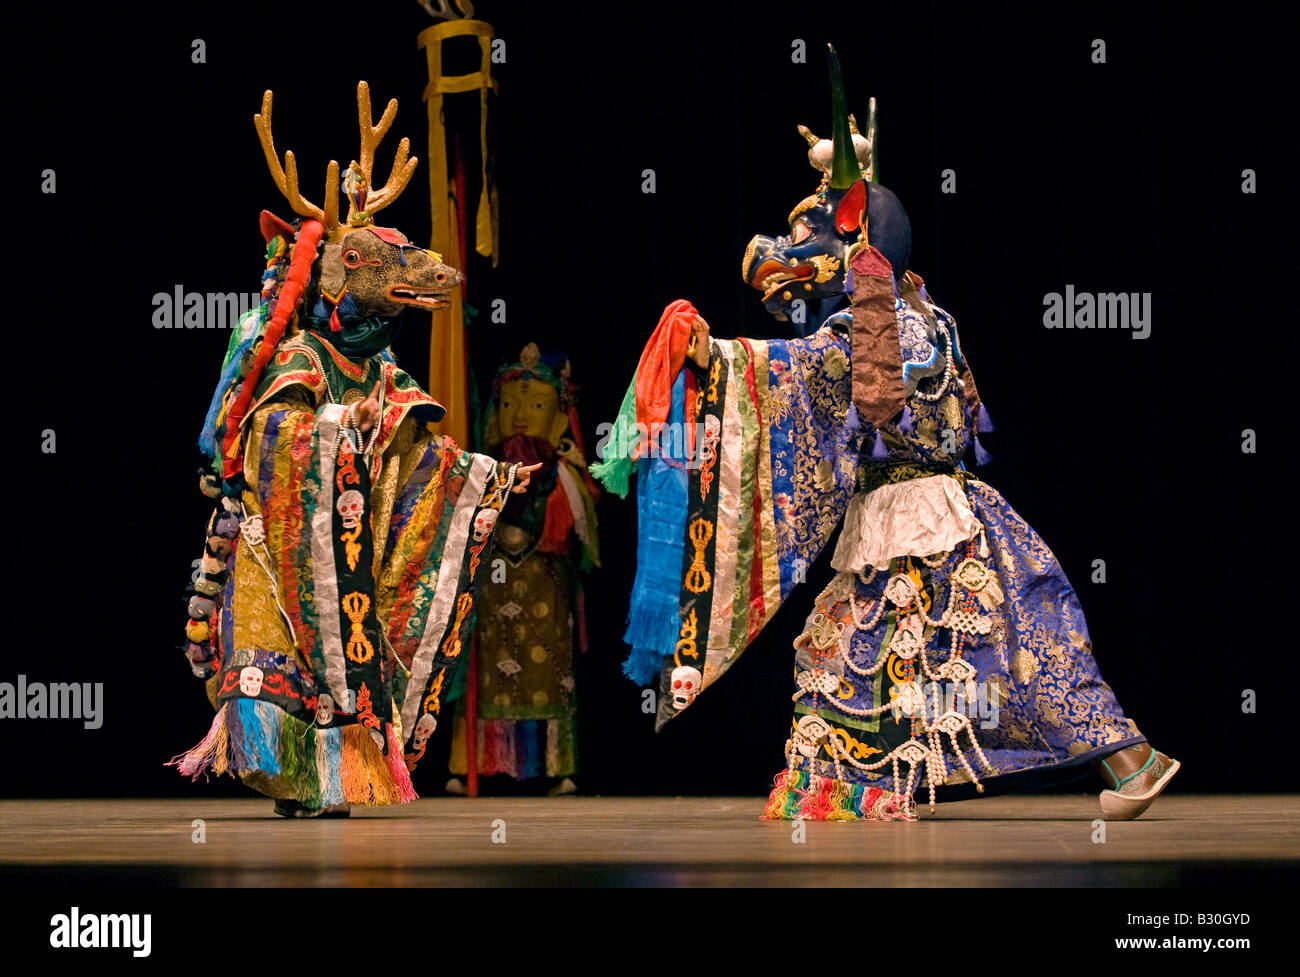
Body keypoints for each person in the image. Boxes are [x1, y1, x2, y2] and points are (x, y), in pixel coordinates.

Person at [593, 49, 1178, 822]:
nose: (793, 254)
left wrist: (715, 357)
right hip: (962, 511)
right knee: (1020, 650)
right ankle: (1129, 756)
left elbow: (801, 372)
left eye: (812, 239)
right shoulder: (932, 314)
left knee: (864, 652)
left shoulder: (865, 324)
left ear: (859, 243)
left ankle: (858, 783)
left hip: (911, 518)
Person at [172, 82, 538, 817]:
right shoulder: (303, 354)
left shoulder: (384, 370)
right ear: (345, 277)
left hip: (352, 556)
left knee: (348, 660)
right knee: (284, 672)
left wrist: (483, 477)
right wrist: (343, 427)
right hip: (281, 552)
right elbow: (275, 440)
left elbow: (421, 454)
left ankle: (332, 776)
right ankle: (298, 777)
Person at [445, 344, 600, 796]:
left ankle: (556, 766)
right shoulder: (480, 470)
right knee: (486, 667)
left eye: (535, 407)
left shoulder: (564, 472)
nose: (519, 416)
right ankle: (468, 762)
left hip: (544, 586)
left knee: (548, 670)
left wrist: (566, 476)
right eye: (510, 405)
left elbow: (585, 533)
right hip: (491, 589)